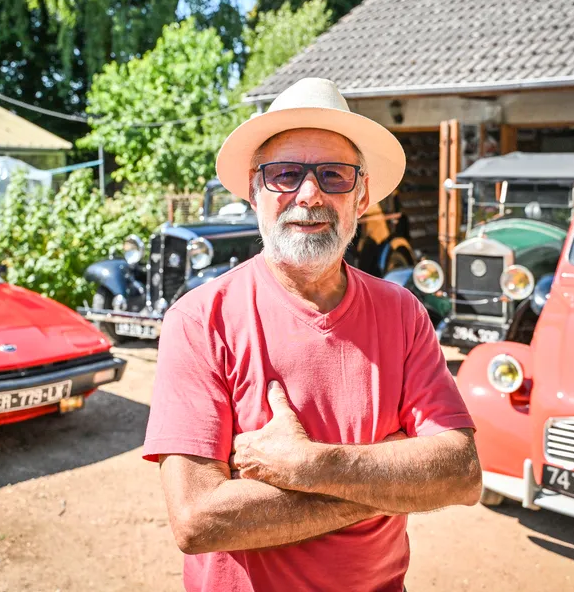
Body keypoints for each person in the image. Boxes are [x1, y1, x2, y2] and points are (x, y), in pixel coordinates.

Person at [143, 77, 482, 592]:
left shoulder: (401, 312)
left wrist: (312, 464)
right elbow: (198, 520)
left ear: (362, 194)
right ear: (254, 191)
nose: (309, 194)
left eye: (333, 175)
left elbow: (459, 473)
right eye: (283, 174)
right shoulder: (200, 319)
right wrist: (388, 474)